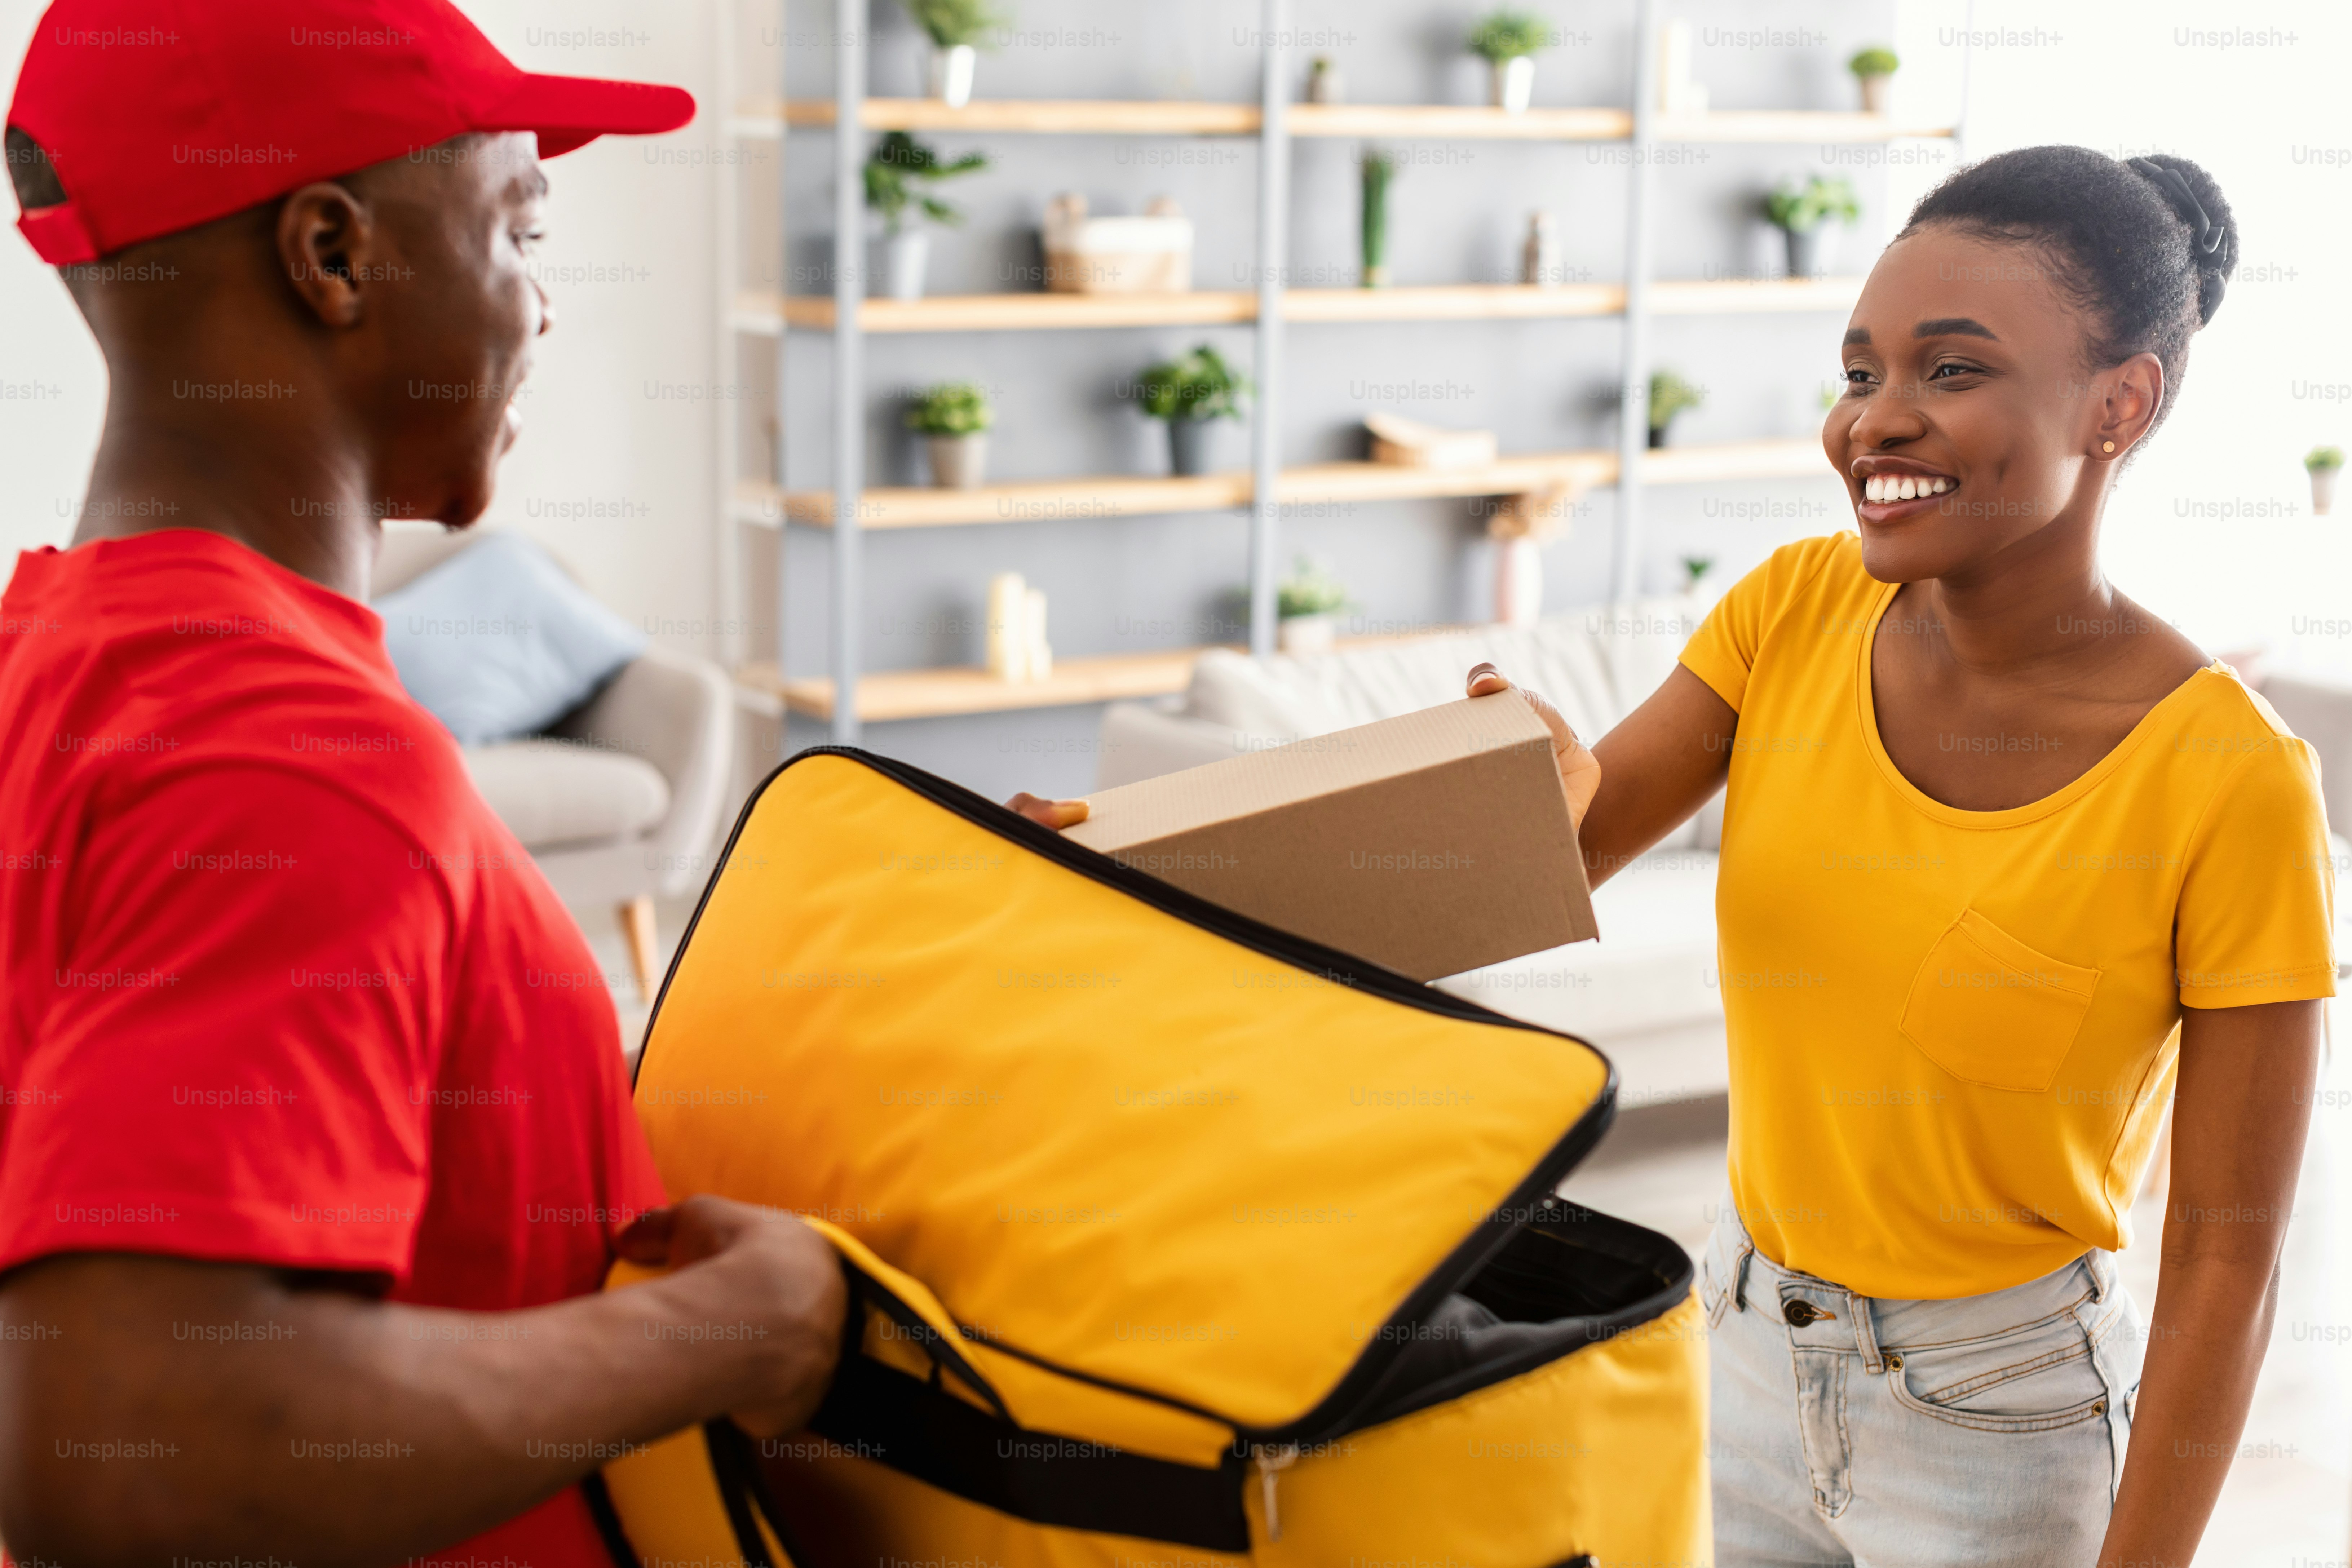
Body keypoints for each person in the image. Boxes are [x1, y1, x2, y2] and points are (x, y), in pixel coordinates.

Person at [0, 4, 875, 1562]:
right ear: (332, 255)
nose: (543, 306)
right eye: (518, 226)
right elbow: (139, 1441)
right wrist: (745, 1329)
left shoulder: (58, 660)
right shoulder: (289, 754)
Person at [1466, 146, 2325, 1565]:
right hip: (1740, 1354)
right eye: (1859, 372)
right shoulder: (1788, 614)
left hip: (2003, 1414)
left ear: (2118, 404)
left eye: (1951, 370)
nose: (1876, 421)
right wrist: (1096, 869)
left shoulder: (2225, 778)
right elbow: (1547, 854)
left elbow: (2225, 1259)